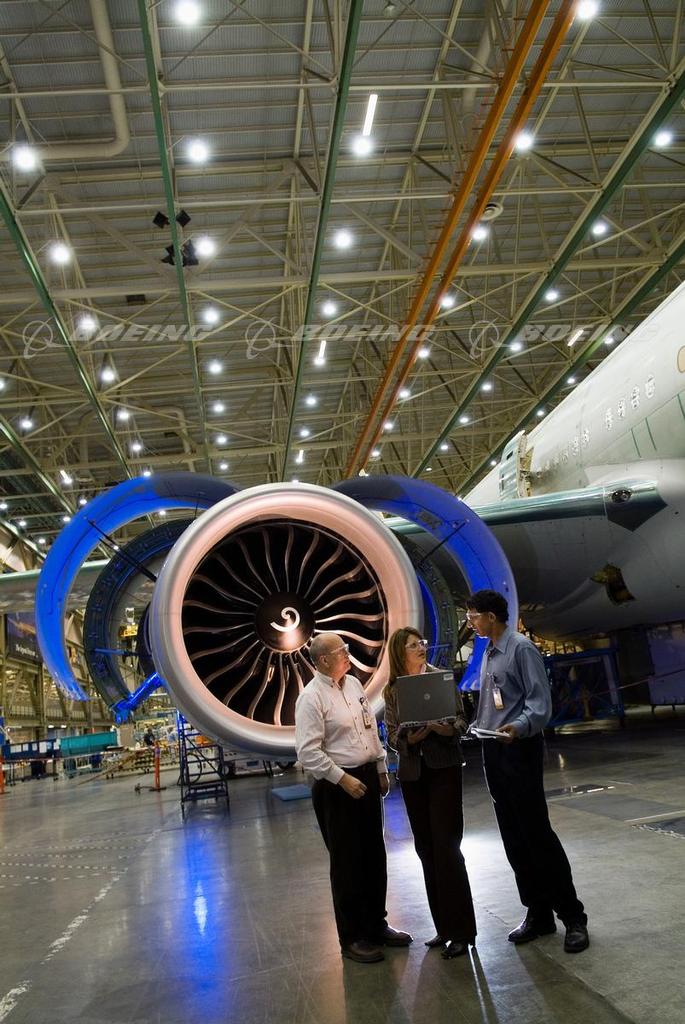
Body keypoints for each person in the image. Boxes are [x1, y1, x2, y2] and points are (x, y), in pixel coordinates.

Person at [466, 589, 590, 954]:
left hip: (518, 748)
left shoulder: (520, 649)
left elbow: (539, 702)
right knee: (514, 837)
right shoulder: (488, 650)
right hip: (493, 747)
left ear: (491, 616)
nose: (470, 622)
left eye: (473, 615)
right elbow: (493, 701)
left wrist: (518, 727)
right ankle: (538, 913)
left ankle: (573, 918)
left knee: (537, 835)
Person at [295, 631, 412, 964]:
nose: (348, 654)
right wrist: (342, 778)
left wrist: (380, 766)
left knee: (374, 856)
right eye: (341, 651)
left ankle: (377, 924)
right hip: (336, 786)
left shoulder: (354, 686)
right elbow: (307, 752)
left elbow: (369, 728)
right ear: (323, 660)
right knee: (347, 864)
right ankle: (353, 937)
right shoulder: (311, 697)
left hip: (365, 778)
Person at [383, 627, 477, 959]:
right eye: (413, 645)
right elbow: (392, 736)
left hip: (443, 770)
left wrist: (446, 728)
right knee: (426, 849)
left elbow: (463, 722)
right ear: (400, 652)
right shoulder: (392, 690)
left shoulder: (441, 679)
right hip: (413, 774)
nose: (421, 647)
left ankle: (463, 931)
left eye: (422, 643)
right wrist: (412, 738)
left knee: (447, 848)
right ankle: (443, 927)